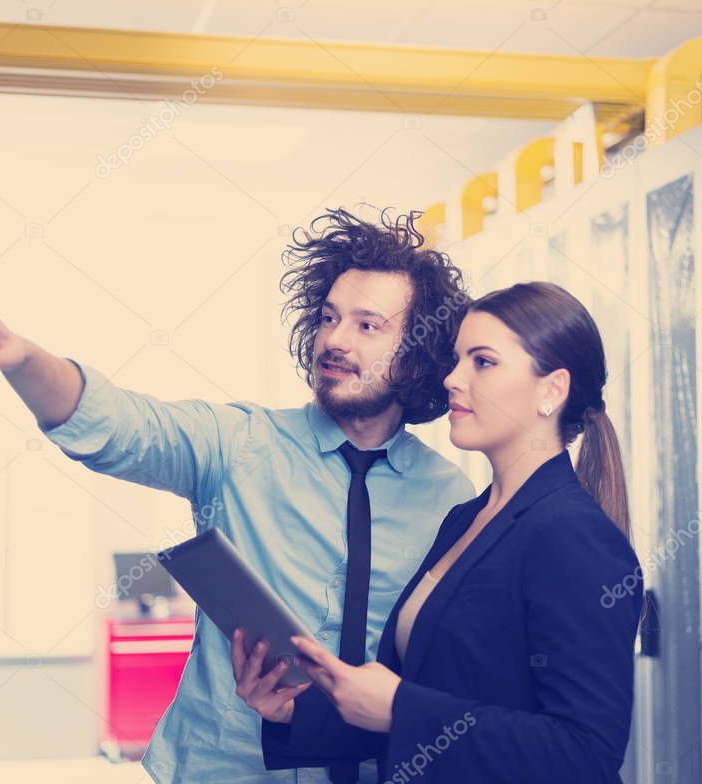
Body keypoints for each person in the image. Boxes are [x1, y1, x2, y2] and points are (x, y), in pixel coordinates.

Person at [0, 207, 476, 784]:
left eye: (367, 325)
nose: (333, 339)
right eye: (329, 317)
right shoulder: (240, 443)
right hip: (223, 768)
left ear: (415, 353)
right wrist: (23, 358)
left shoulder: (450, 496)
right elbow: (116, 426)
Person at [233, 281, 643, 783]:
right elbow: (425, 702)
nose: (453, 378)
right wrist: (296, 714)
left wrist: (402, 708)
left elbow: (584, 753)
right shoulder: (464, 519)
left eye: (482, 362)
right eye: (456, 360)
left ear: (550, 390)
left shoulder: (573, 536)